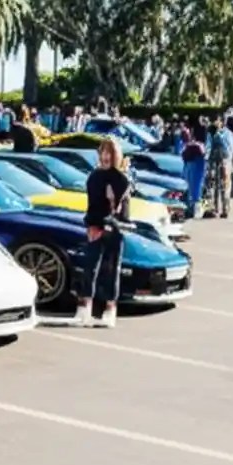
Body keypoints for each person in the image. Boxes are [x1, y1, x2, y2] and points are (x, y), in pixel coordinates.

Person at [73, 137, 132, 328]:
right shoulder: (94, 177)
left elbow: (122, 211)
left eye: (110, 153)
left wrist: (111, 215)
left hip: (114, 230)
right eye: (103, 153)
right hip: (96, 227)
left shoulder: (122, 179)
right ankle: (85, 307)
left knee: (111, 270)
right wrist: (92, 226)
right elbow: (93, 205)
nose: (106, 157)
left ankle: (109, 309)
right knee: (90, 268)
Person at [207, 118, 233, 219]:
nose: (216, 123)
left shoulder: (227, 133)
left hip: (224, 160)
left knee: (224, 185)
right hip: (214, 160)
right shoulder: (211, 132)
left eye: (218, 121)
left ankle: (224, 209)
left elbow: (230, 147)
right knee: (212, 185)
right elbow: (208, 146)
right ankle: (213, 208)